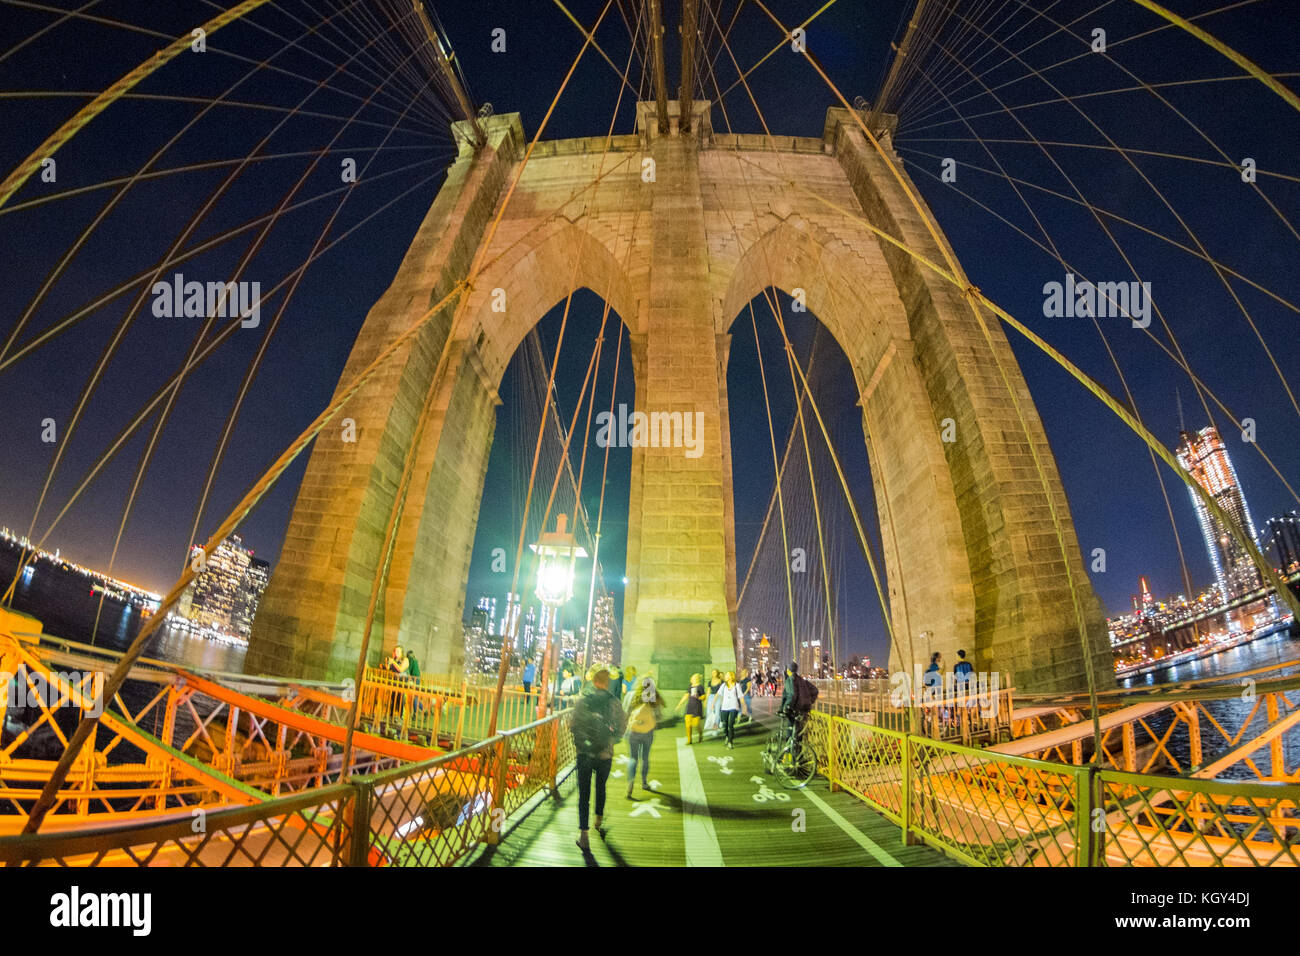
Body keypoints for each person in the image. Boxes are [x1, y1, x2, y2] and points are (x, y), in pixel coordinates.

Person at [571, 668, 626, 852]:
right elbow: (622, 728)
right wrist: (610, 739)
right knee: (600, 787)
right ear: (608, 682)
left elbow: (573, 725)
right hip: (605, 754)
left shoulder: (583, 701)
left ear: (594, 682)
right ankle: (598, 822)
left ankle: (584, 835)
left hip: (584, 754)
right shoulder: (615, 703)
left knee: (584, 794)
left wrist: (583, 742)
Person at [623, 675, 664, 797]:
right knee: (645, 758)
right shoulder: (654, 698)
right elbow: (659, 717)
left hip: (632, 732)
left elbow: (625, 712)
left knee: (633, 758)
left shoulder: (631, 695)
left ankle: (630, 785)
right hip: (648, 733)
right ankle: (644, 782)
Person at [778, 661, 816, 747]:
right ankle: (798, 755)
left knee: (791, 730)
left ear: (788, 670)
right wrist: (811, 701)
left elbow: (791, 695)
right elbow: (815, 690)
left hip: (795, 710)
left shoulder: (789, 680)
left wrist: (786, 708)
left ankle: (791, 752)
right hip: (804, 710)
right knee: (798, 733)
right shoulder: (802, 680)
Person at [717, 671, 749, 749]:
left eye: (727, 675)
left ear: (731, 676)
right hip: (724, 707)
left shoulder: (737, 685)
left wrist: (744, 706)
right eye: (726, 675)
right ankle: (727, 736)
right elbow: (718, 695)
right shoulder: (723, 685)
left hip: (734, 707)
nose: (726, 676)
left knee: (730, 724)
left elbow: (740, 696)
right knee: (725, 725)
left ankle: (730, 742)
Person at [676, 673, 706, 745]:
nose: (692, 680)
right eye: (691, 678)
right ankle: (689, 739)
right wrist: (679, 704)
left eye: (693, 678)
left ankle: (700, 734)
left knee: (696, 724)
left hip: (697, 707)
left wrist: (698, 697)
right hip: (690, 706)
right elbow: (686, 695)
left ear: (697, 679)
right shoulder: (690, 686)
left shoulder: (700, 687)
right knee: (688, 724)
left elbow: (704, 697)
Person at [703, 668, 723, 737]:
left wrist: (723, 700)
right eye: (712, 672)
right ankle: (711, 726)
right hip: (711, 697)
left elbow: (722, 691)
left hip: (718, 697)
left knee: (717, 712)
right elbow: (708, 691)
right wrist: (706, 700)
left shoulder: (721, 681)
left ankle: (715, 729)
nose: (713, 673)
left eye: (715, 672)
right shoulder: (710, 681)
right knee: (709, 712)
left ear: (717, 673)